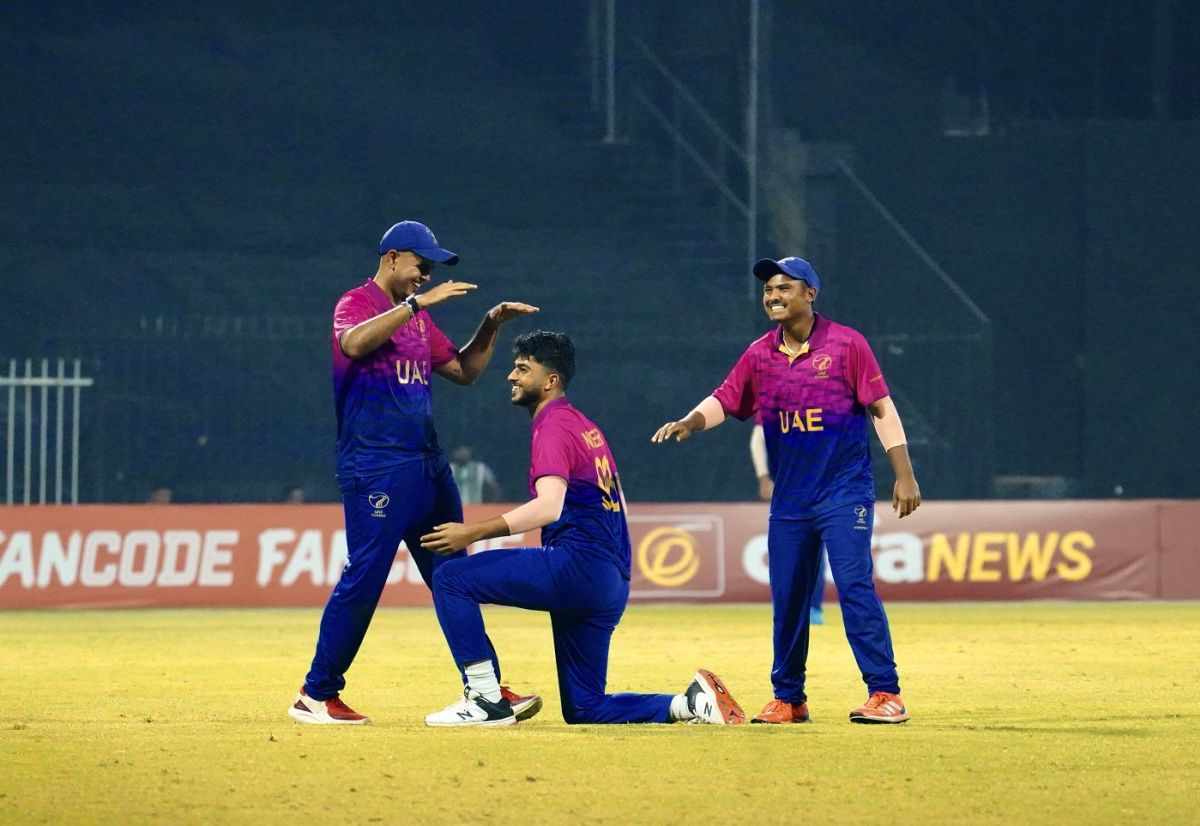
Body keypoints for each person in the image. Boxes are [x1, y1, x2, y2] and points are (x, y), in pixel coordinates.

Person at [419, 331, 745, 727]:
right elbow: (618, 502)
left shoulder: (553, 426)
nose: (511, 376)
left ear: (550, 380)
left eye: (523, 368)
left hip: (576, 565)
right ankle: (689, 704)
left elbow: (549, 506)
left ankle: (486, 699)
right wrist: (616, 572)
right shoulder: (585, 426)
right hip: (608, 579)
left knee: (452, 578)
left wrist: (472, 533)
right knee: (585, 708)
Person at [288, 220, 540, 725]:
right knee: (365, 577)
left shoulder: (418, 321)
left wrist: (490, 325)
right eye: (421, 266)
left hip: (427, 465)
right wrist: (413, 306)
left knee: (454, 575)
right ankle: (315, 694)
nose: (425, 276)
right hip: (377, 466)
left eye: (429, 271)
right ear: (393, 258)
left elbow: (464, 372)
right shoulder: (356, 303)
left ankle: (485, 691)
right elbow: (353, 346)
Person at [652, 256, 921, 725]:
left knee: (855, 585)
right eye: (767, 290)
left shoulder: (846, 344)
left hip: (844, 490)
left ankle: (885, 693)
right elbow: (725, 398)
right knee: (790, 596)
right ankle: (789, 699)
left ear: (810, 294)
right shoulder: (759, 353)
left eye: (784, 288)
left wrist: (905, 473)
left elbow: (881, 408)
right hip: (791, 499)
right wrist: (692, 421)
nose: (772, 296)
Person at [751, 423, 827, 626]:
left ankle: (813, 608)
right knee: (786, 548)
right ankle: (787, 608)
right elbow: (758, 438)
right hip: (787, 487)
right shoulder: (775, 396)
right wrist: (764, 477)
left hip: (819, 485)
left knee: (816, 549)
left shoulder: (826, 399)